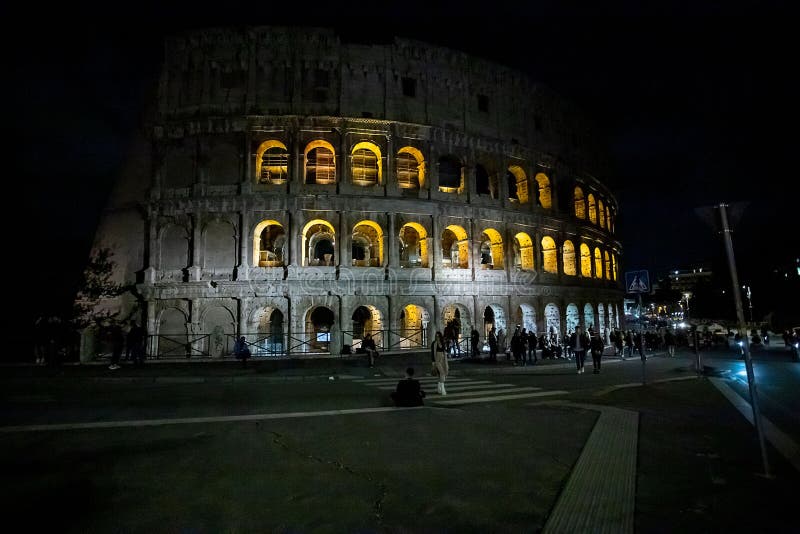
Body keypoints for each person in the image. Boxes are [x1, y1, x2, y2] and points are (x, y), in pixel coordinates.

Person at [431, 331, 449, 395]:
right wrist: (433, 362)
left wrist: (445, 358)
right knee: (442, 373)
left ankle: (439, 388)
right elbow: (432, 353)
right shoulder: (434, 343)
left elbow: (445, 350)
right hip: (437, 360)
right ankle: (443, 388)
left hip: (443, 359)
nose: (437, 337)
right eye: (436, 336)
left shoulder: (442, 342)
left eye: (438, 336)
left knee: (440, 374)